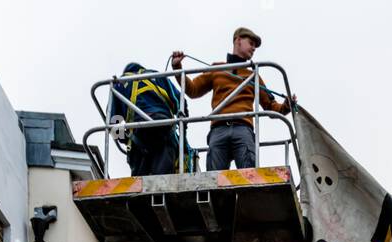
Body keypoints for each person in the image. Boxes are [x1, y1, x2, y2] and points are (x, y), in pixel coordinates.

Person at [171, 27, 289, 171]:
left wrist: (287, 105)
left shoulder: (253, 75)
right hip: (218, 129)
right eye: (251, 43)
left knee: (249, 177)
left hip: (243, 128)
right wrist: (177, 67)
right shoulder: (217, 69)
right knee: (214, 181)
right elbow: (193, 90)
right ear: (238, 40)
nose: (253, 48)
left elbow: (271, 106)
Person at [108, 62, 195, 175]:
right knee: (164, 180)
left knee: (139, 184)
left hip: (138, 137)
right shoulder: (157, 76)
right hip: (164, 130)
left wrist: (125, 138)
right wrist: (183, 127)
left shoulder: (119, 84)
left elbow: (113, 122)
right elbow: (180, 102)